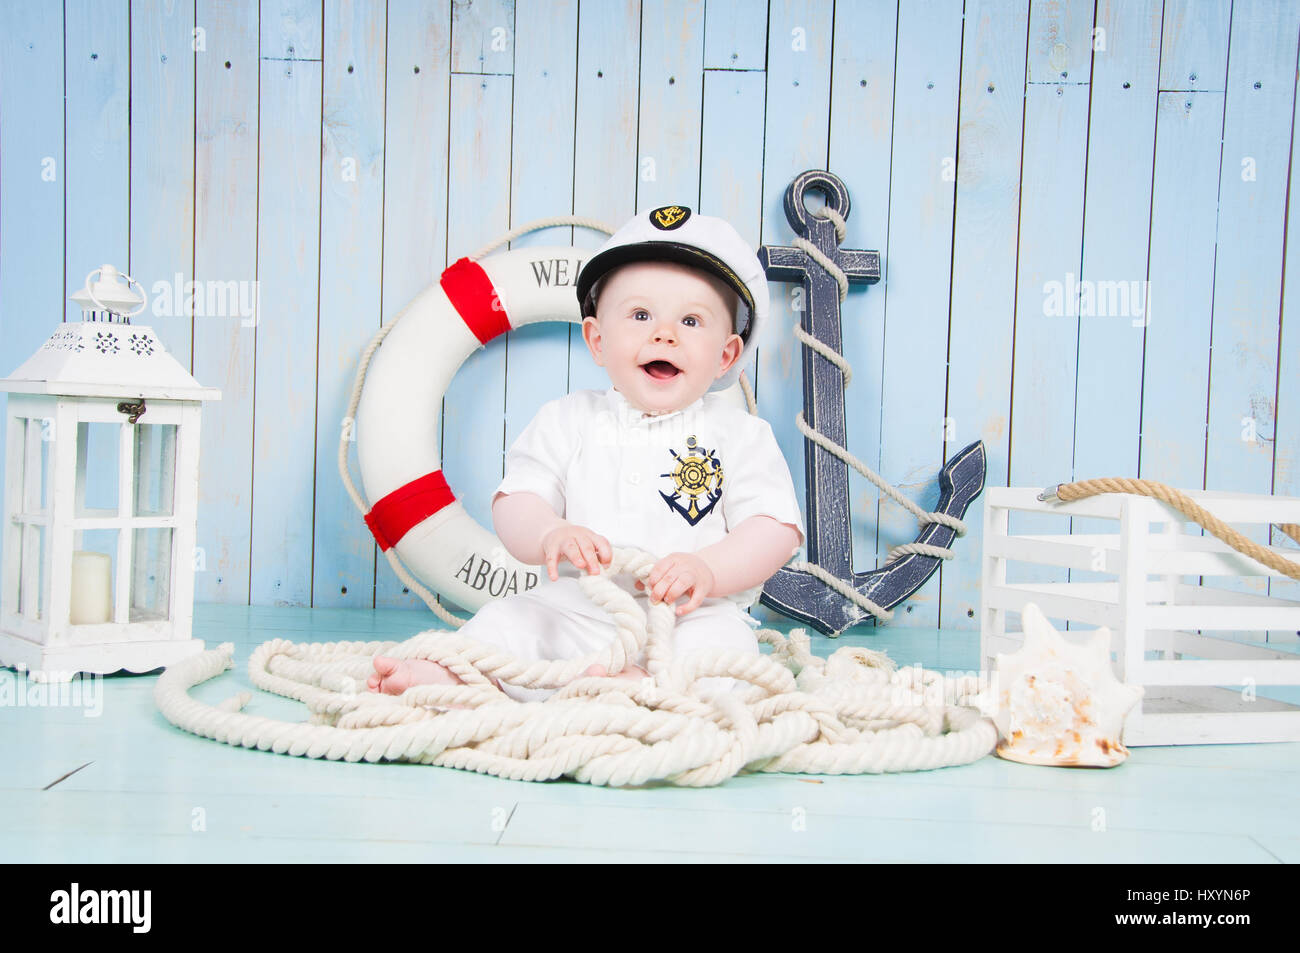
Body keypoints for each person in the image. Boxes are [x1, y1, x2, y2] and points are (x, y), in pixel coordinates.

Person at [368, 205, 805, 702]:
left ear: (726, 355)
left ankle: (646, 688)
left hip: (692, 616)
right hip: (578, 610)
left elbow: (772, 529)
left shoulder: (742, 435)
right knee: (510, 620)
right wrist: (551, 531)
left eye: (690, 320)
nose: (664, 334)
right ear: (598, 340)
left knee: (728, 652)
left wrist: (708, 568)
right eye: (640, 315)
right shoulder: (567, 420)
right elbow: (518, 501)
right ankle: (459, 675)